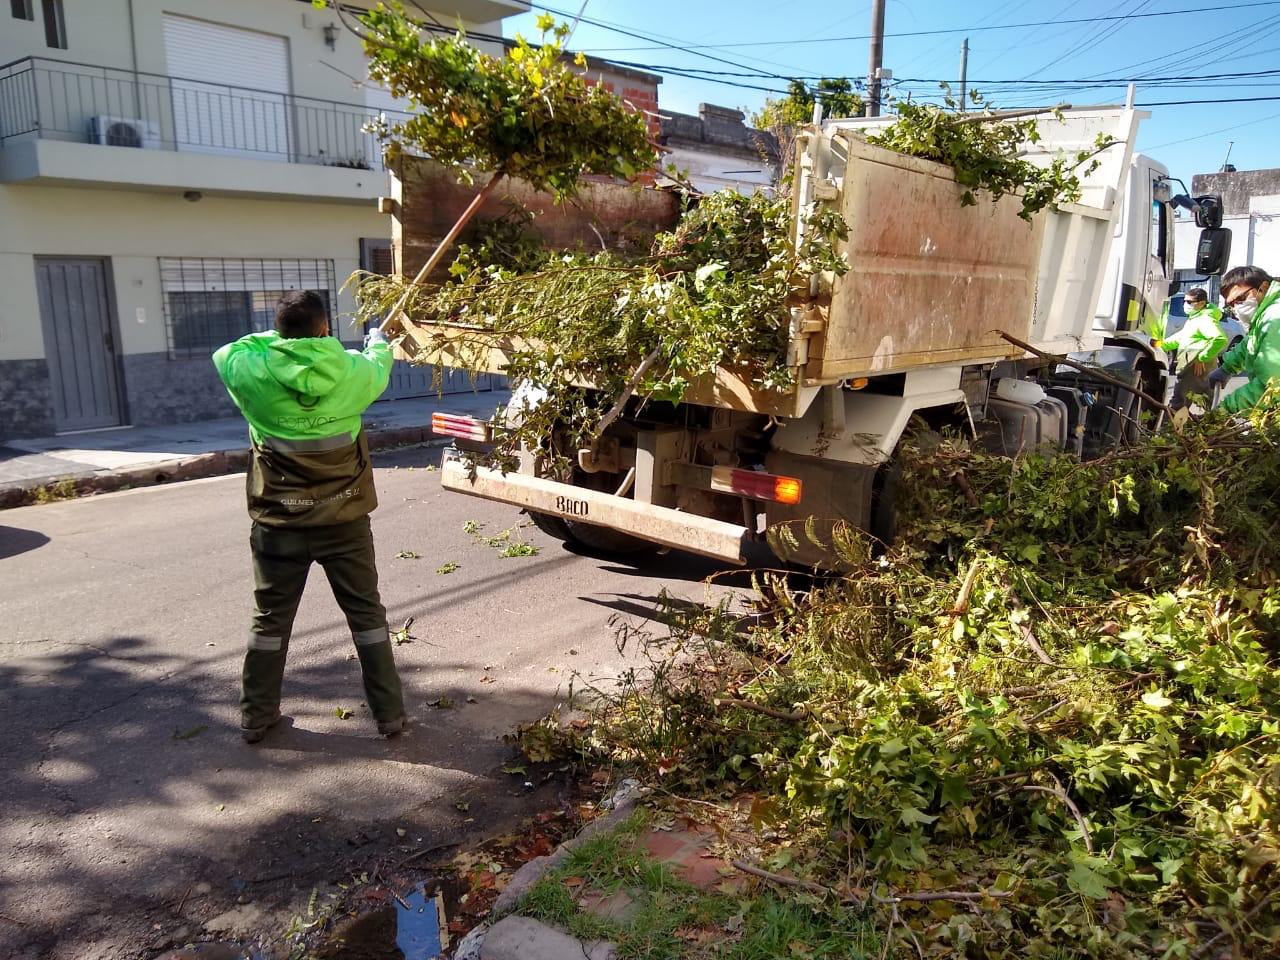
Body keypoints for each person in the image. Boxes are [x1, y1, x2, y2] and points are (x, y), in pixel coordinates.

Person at [212, 291, 405, 743]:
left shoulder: (251, 370)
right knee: (366, 617)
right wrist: (371, 340)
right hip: (345, 523)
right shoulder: (352, 371)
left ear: (279, 330)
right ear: (325, 329)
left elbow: (230, 350)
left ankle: (256, 718)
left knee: (269, 621)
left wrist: (282, 340)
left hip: (280, 524)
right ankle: (390, 714)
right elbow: (379, 358)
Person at [1208, 266, 1280, 414]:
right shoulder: (1265, 315)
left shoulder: (1275, 318)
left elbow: (1272, 386)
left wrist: (1226, 408)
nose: (1237, 308)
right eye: (1232, 304)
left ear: (1263, 287)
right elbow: (1250, 343)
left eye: (1240, 299)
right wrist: (1227, 367)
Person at [1158, 287, 1228, 410]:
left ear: (1201, 303)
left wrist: (1202, 358)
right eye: (1184, 301)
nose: (1185, 305)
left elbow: (1220, 339)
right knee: (1206, 398)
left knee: (1180, 399)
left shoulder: (1205, 319)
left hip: (1193, 363)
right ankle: (1216, 423)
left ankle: (1172, 426)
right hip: (1193, 362)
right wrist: (1161, 344)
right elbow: (1183, 337)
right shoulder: (1196, 318)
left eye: (1189, 302)